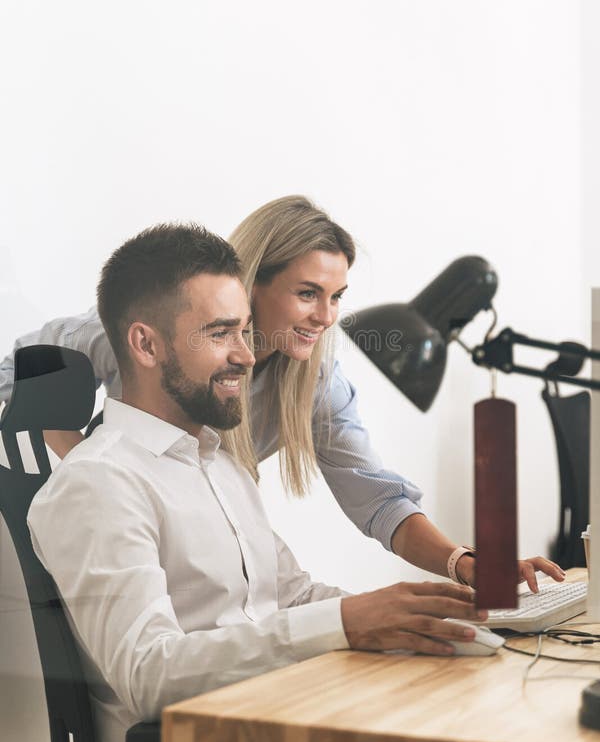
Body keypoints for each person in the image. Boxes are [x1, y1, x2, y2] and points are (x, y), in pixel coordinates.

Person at [27, 223, 486, 742]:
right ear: (146, 344)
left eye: (247, 331)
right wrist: (346, 621)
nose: (248, 357)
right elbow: (149, 677)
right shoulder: (98, 484)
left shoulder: (220, 463)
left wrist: (421, 617)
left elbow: (290, 596)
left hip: (265, 728)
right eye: (222, 333)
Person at [1, 195, 564, 591]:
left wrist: (465, 564)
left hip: (206, 570)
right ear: (253, 282)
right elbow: (21, 373)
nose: (326, 317)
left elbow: (378, 498)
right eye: (307, 293)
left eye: (337, 296)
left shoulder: (315, 379)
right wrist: (84, 467)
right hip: (123, 558)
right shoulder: (157, 329)